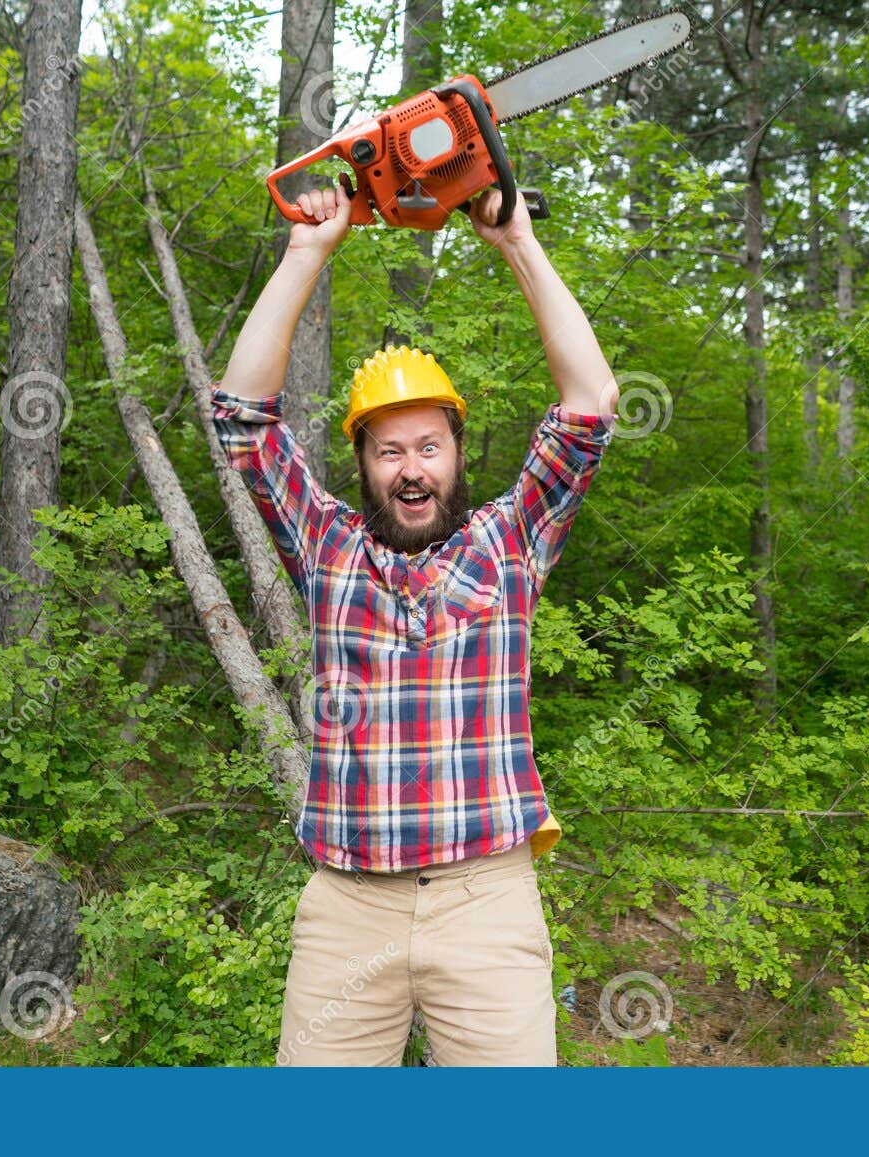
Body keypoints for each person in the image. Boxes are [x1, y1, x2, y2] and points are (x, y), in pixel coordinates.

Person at [210, 172, 620, 1066]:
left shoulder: (512, 541)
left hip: (487, 902)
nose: (411, 467)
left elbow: (590, 404)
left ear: (458, 451)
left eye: (428, 445)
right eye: (389, 448)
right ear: (360, 461)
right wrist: (309, 250)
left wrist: (516, 241)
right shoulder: (325, 546)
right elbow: (241, 419)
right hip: (348, 907)